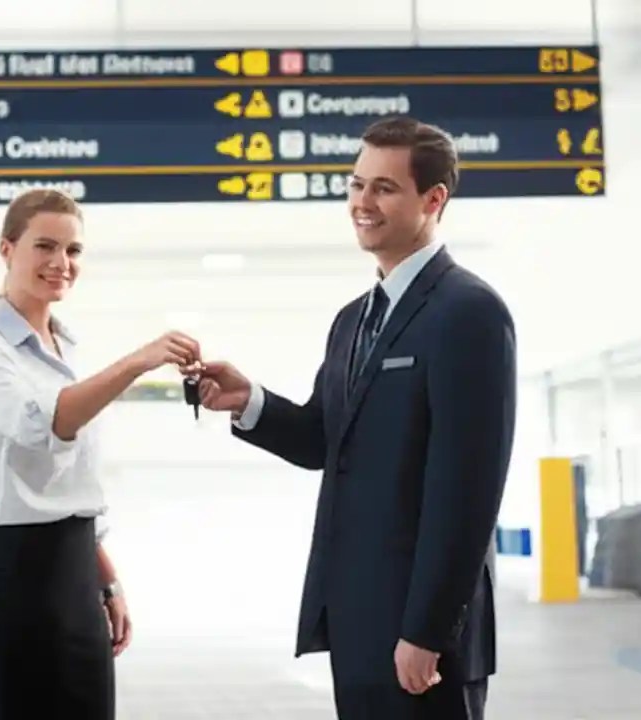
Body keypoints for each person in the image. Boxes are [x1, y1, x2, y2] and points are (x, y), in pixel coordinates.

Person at [193, 116, 517, 720]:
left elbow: (468, 493)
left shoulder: (468, 312)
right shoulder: (352, 320)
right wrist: (249, 401)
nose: (362, 203)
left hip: (423, 634)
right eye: (356, 184)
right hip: (356, 619)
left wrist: (427, 630)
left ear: (434, 199)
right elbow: (324, 439)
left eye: (384, 188)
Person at [0, 188, 202, 720]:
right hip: (15, 576)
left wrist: (106, 578)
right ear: (7, 249)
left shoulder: (71, 349)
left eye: (73, 250)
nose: (61, 263)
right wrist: (136, 363)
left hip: (76, 572)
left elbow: (76, 484)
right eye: (45, 246)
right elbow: (39, 424)